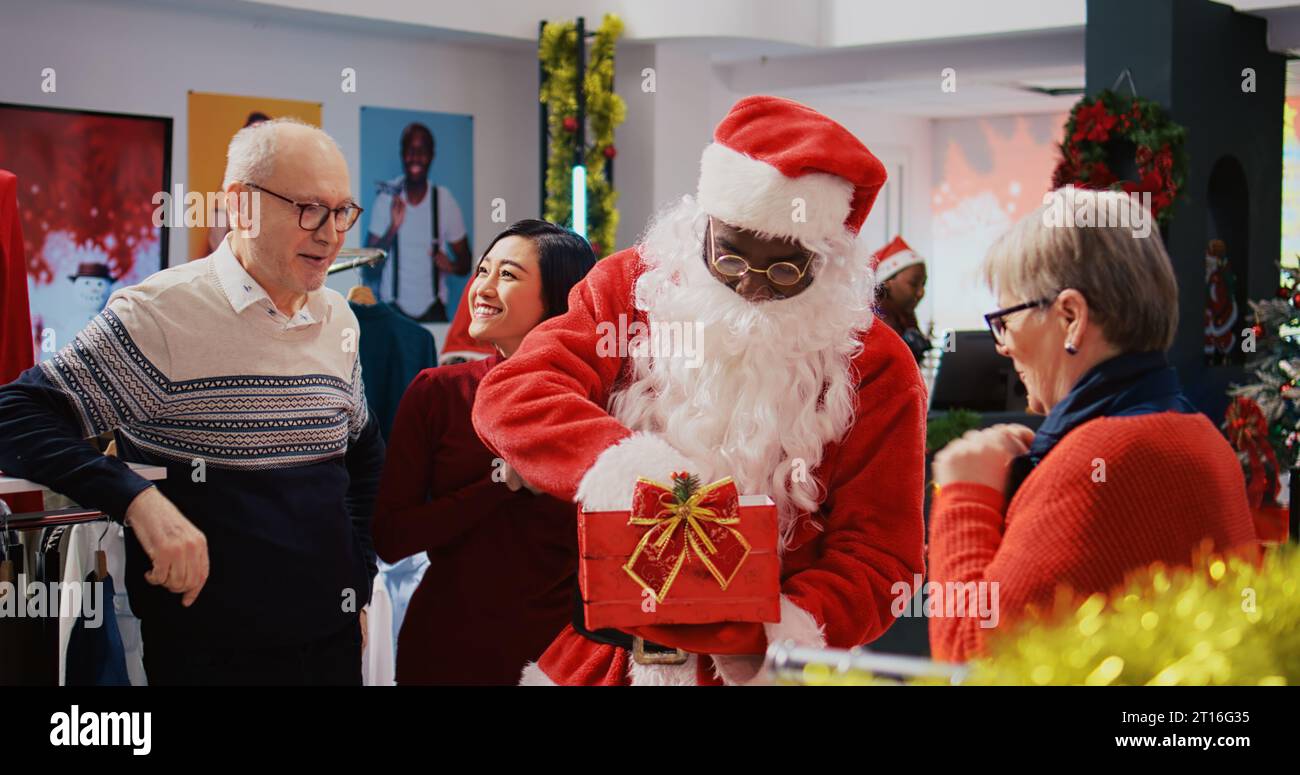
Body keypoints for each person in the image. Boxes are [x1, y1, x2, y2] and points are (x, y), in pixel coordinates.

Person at [471, 96, 927, 685]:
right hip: (611, 661)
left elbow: (882, 558)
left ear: (830, 259)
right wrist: (636, 472)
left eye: (786, 269)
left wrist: (774, 632)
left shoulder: (877, 364)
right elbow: (516, 394)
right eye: (731, 254)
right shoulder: (632, 288)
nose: (751, 286)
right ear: (700, 224)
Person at [0, 118, 384, 685]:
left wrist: (357, 576)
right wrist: (135, 499)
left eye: (342, 211)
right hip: (209, 655)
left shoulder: (337, 317)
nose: (331, 234)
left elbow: (362, 453)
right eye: (309, 209)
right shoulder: (160, 314)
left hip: (329, 645)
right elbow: (15, 414)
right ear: (240, 206)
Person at [927, 187, 1259, 663]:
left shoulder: (1100, 460)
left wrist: (964, 494)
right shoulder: (1200, 436)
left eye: (1005, 320)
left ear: (1070, 317)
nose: (1003, 345)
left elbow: (972, 663)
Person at [372, 219, 595, 685]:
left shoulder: (596, 405)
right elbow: (391, 537)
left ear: (558, 299)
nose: (483, 288)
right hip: (448, 651)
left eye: (508, 275)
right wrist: (500, 483)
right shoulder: (438, 393)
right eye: (483, 271)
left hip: (562, 659)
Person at [365, 122, 472, 322]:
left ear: (431, 155)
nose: (415, 157)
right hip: (393, 312)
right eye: (410, 150)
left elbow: (466, 262)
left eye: (422, 150)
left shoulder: (444, 200)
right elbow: (369, 268)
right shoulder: (387, 199)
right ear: (402, 154)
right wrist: (393, 228)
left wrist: (452, 266)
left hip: (434, 311)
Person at [871, 235, 929, 363]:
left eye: (923, 284)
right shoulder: (871, 320)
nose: (921, 292)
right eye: (914, 283)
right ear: (887, 282)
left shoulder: (906, 317)